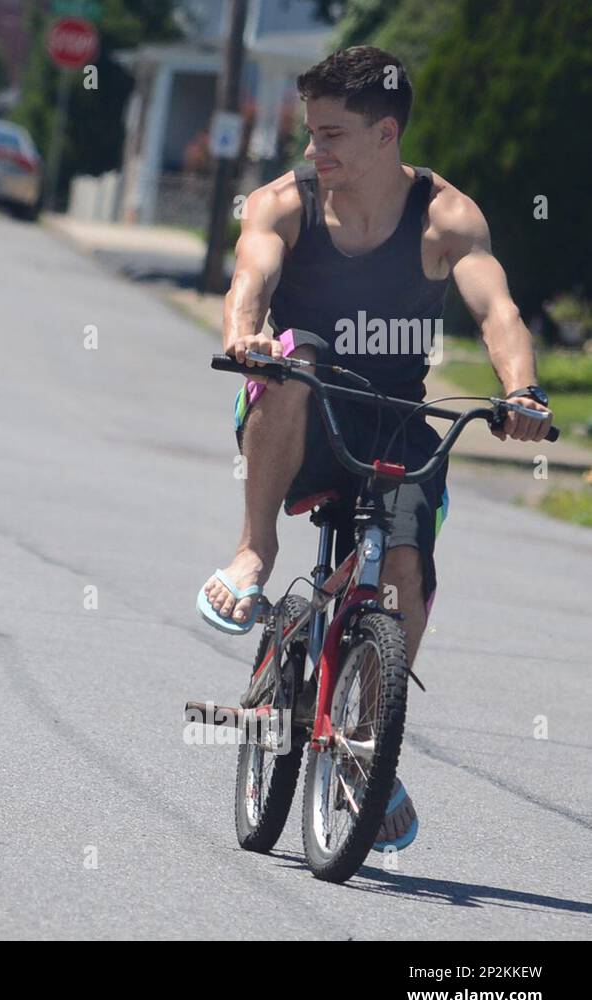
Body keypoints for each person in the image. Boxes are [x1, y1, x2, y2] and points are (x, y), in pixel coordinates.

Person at [198, 46, 552, 848]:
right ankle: (254, 551)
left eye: (332, 135)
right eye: (310, 130)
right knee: (300, 352)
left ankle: (365, 740)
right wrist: (244, 337)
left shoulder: (446, 217)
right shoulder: (284, 201)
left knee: (407, 576)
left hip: (395, 420)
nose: (313, 149)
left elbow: (498, 311)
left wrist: (523, 391)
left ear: (386, 134)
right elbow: (248, 278)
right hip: (295, 406)